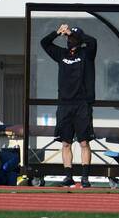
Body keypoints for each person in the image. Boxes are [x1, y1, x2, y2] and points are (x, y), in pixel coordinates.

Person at [40, 23, 98, 187]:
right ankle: (68, 176)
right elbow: (44, 43)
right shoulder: (62, 54)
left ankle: (85, 177)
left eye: (72, 37)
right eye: (68, 37)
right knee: (66, 142)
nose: (69, 39)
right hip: (65, 104)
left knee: (84, 142)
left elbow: (93, 41)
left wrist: (72, 32)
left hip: (82, 104)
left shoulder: (87, 53)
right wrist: (57, 33)